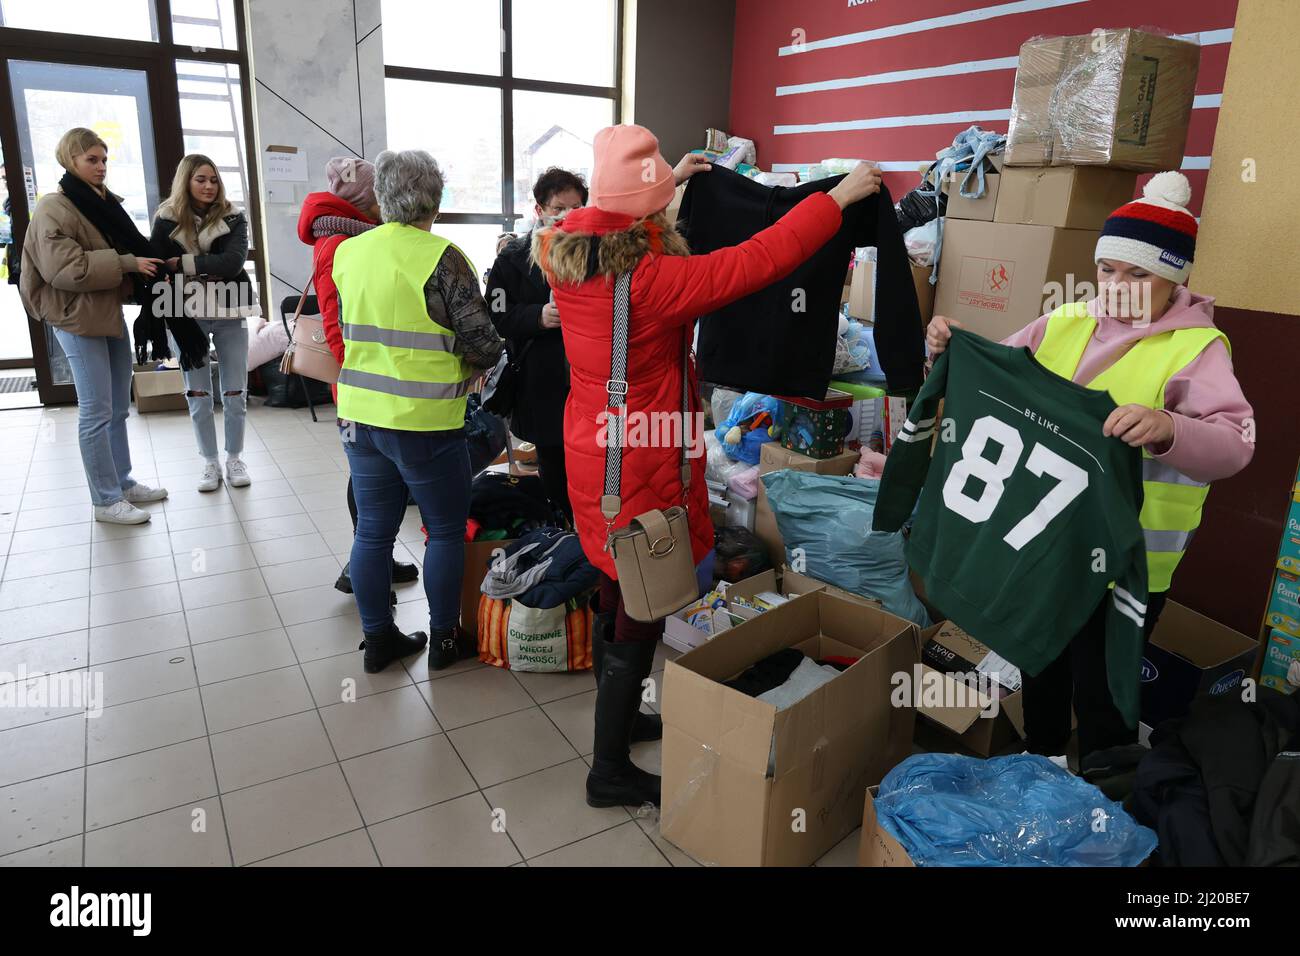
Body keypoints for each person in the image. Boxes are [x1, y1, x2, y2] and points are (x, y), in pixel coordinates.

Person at [533, 124, 883, 808]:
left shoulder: (568, 246)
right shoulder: (648, 280)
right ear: (643, 210)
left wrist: (677, 182)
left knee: (616, 574)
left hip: (595, 443)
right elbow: (756, 260)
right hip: (640, 454)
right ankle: (607, 770)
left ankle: (624, 715)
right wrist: (834, 201)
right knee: (645, 598)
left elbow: (624, 215)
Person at [925, 171, 1254, 772]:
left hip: (1126, 565)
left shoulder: (1197, 349)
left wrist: (1170, 428)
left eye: (1140, 274)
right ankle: (1042, 768)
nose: (1118, 286)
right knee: (1040, 659)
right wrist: (952, 345)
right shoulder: (1064, 322)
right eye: (1107, 269)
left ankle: (1106, 799)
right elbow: (1001, 373)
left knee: (1104, 688)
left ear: (1174, 277)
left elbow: (1235, 446)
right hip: (1045, 542)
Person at [332, 149, 504, 675]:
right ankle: (446, 640)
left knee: (373, 533)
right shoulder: (442, 257)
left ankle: (379, 639)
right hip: (426, 422)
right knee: (446, 531)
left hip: (361, 417)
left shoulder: (350, 253)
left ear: (382, 196)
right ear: (435, 198)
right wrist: (472, 362)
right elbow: (484, 342)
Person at [19, 127, 170, 524]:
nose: (101, 167)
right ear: (71, 160)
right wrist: (127, 264)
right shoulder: (55, 207)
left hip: (104, 311)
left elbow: (124, 246)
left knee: (119, 404)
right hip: (75, 316)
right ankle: (105, 500)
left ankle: (122, 482)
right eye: (92, 159)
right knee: (96, 410)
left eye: (104, 159)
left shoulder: (98, 204)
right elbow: (66, 269)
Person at [297, 157, 419, 593]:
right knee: (369, 477)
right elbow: (336, 321)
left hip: (366, 377)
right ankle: (362, 565)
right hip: (359, 380)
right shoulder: (339, 242)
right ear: (368, 200)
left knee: (376, 473)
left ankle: (374, 559)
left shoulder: (347, 232)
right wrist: (358, 375)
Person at [151, 154, 259, 491]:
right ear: (186, 180)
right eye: (201, 179)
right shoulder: (166, 217)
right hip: (185, 312)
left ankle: (234, 458)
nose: (209, 186)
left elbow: (231, 263)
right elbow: (157, 262)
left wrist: (183, 262)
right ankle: (210, 462)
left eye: (213, 179)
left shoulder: (234, 216)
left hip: (230, 308)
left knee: (235, 390)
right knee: (197, 392)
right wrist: (204, 265)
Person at [485, 166, 587, 522]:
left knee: (592, 459)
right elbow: (496, 313)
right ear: (539, 209)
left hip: (591, 379)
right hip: (540, 378)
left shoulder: (598, 254)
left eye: (576, 208)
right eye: (559, 207)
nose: (567, 216)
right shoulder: (512, 259)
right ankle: (561, 526)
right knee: (554, 459)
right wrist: (537, 316)